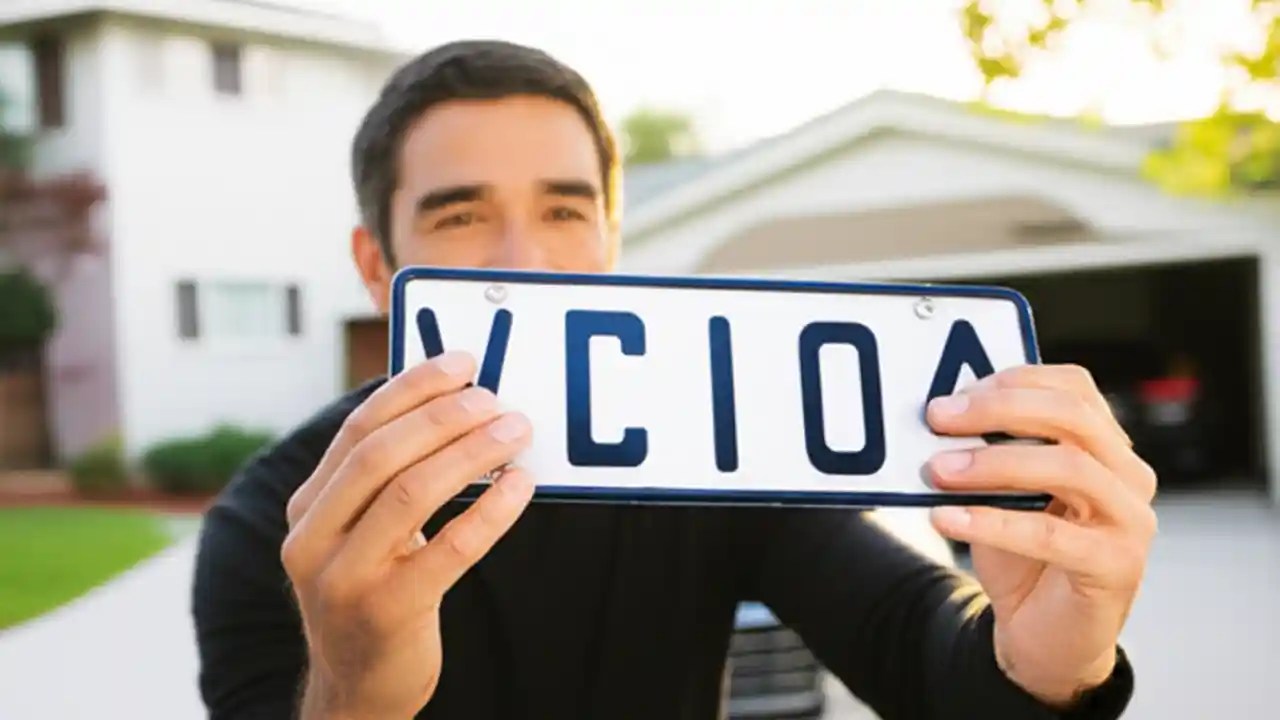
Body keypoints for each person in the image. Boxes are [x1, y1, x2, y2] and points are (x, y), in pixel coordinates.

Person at [192, 39, 1157, 719]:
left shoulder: (714, 432)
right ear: (376, 265)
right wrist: (353, 697)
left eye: (566, 212)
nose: (525, 261)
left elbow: (909, 635)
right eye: (461, 218)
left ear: (612, 240)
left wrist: (1040, 656)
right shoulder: (275, 520)